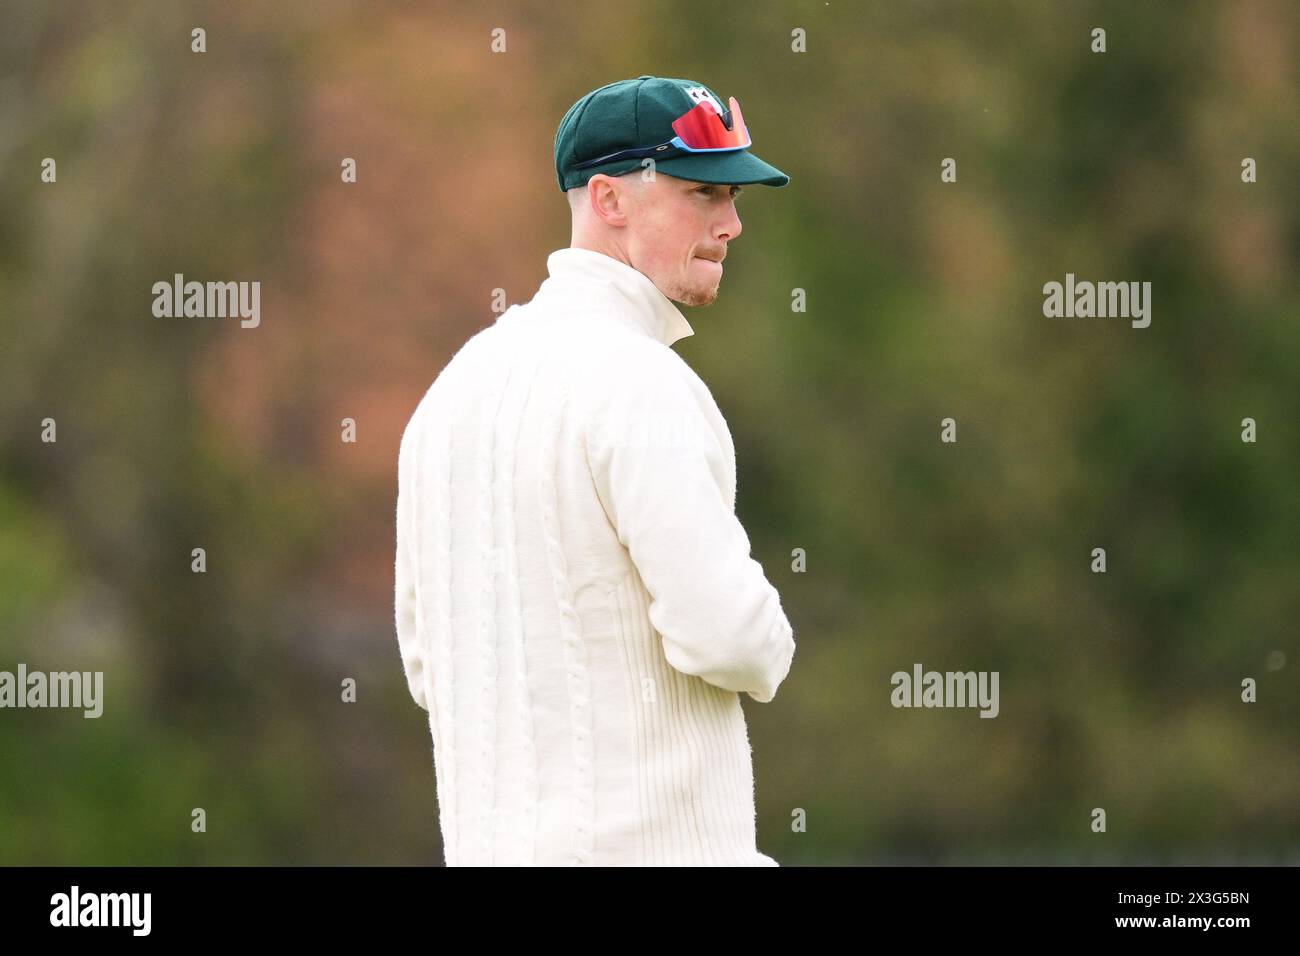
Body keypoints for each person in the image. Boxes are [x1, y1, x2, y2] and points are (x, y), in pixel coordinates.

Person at [394, 75, 795, 866]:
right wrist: (772, 634)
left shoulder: (449, 395)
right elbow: (735, 639)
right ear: (610, 199)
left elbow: (425, 663)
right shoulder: (641, 381)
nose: (733, 222)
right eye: (703, 192)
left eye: (734, 194)